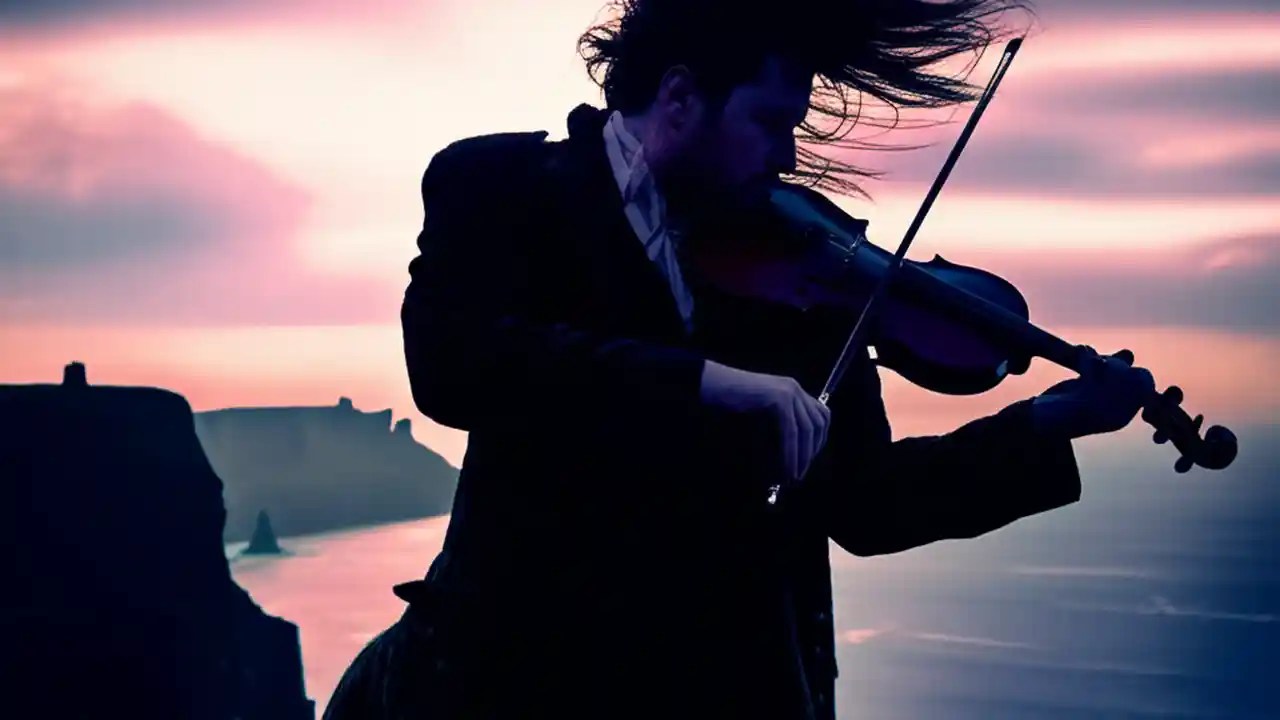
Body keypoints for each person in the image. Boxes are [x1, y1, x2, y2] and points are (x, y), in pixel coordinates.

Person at [324, 1, 1156, 718]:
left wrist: (1048, 426)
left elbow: (869, 505)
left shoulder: (802, 273)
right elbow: (455, 364)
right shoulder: (501, 187)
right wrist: (708, 384)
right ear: (681, 96)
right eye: (770, 122)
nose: (789, 158)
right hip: (511, 682)